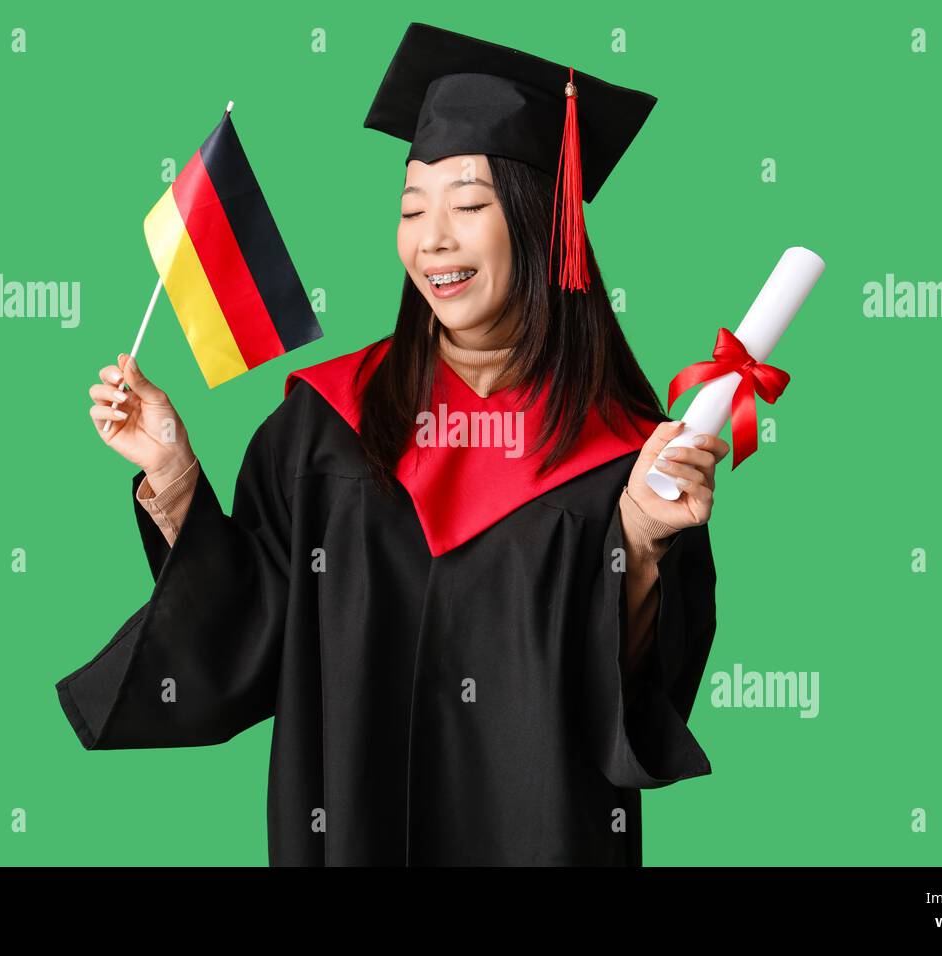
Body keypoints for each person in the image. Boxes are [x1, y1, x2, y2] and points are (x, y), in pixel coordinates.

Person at [57, 22, 729, 866]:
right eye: (412, 207)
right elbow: (253, 632)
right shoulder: (327, 424)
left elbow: (632, 710)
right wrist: (174, 472)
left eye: (469, 205)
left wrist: (637, 543)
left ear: (539, 222)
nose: (433, 238)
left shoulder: (626, 460)